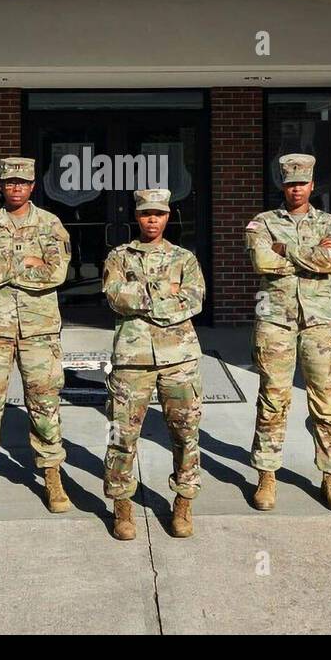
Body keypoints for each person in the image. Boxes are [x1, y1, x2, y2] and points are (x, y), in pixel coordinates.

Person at [0, 156, 73, 515]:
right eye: (9, 183)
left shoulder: (51, 225)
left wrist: (3, 267)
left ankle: (52, 474)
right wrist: (25, 263)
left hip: (39, 330)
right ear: (2, 185)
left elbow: (56, 274)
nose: (16, 188)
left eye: (22, 183)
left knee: (45, 402)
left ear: (33, 186)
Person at [245, 153, 331, 513]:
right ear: (283, 185)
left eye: (302, 183)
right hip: (275, 321)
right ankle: (267, 473)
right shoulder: (262, 222)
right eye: (290, 184)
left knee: (326, 402)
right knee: (273, 400)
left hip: (320, 324)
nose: (296, 189)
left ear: (311, 185)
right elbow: (262, 262)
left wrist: (287, 249)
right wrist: (310, 255)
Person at [102, 188, 206, 540]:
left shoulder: (184, 259)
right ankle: (122, 507)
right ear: (137, 215)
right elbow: (116, 297)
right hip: (133, 361)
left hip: (180, 359)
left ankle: (183, 504)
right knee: (121, 436)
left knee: (185, 435)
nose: (152, 219)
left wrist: (142, 297)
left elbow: (194, 300)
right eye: (146, 213)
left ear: (167, 216)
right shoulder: (119, 256)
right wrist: (164, 295)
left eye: (159, 214)